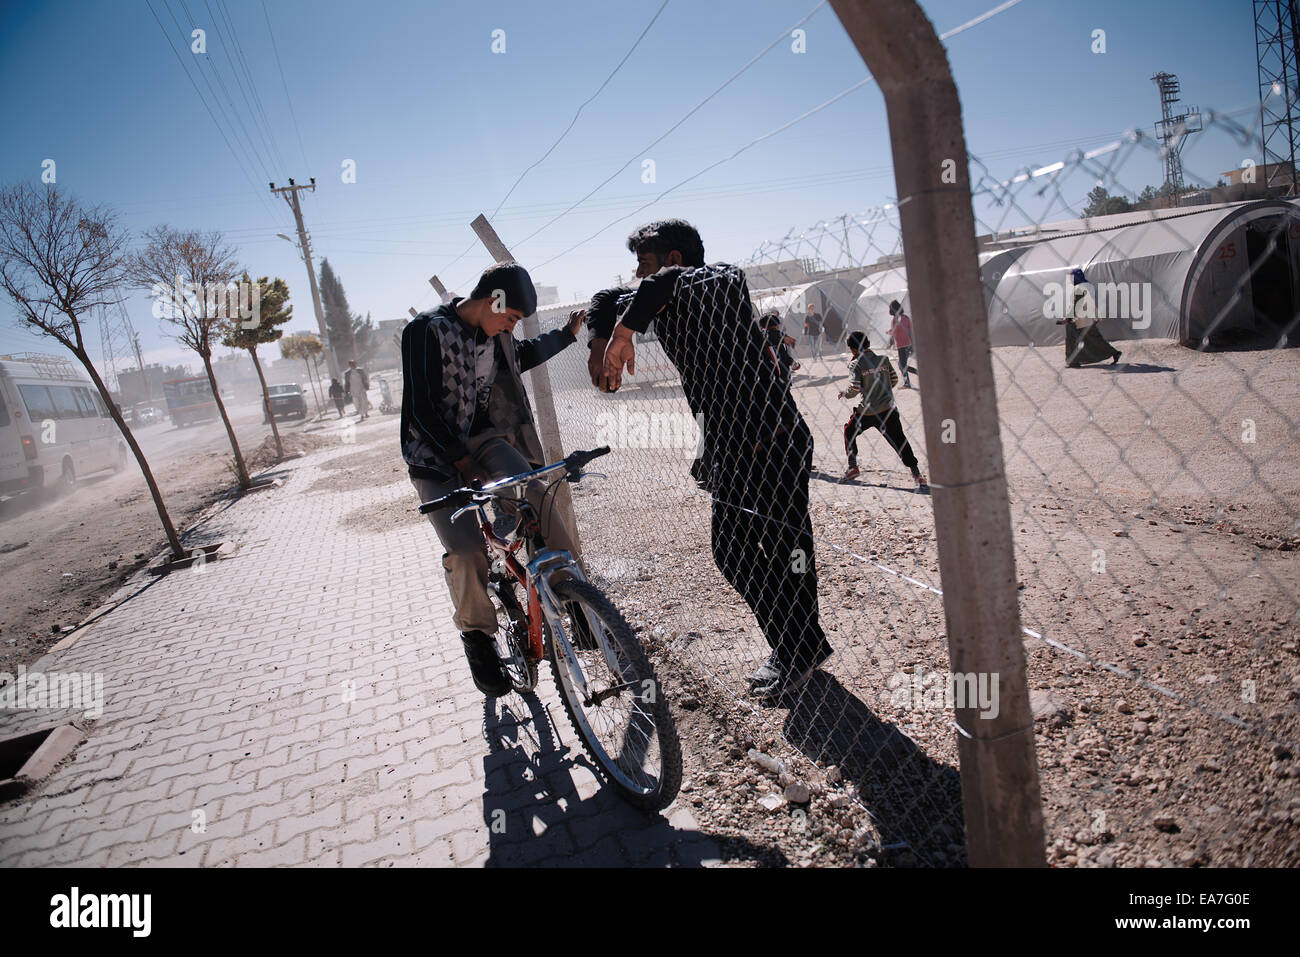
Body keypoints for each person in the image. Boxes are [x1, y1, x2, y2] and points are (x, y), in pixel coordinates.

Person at [593, 218, 833, 704]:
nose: (636, 274)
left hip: (772, 439)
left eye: (643, 262)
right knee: (757, 551)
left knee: (767, 549)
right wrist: (604, 341)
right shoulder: (656, 298)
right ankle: (801, 646)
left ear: (675, 258)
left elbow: (663, 284)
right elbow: (603, 299)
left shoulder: (720, 280)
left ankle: (797, 648)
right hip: (734, 447)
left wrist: (625, 332)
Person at [402, 261, 583, 697]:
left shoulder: (496, 335)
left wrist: (566, 336)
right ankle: (477, 637)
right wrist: (464, 464)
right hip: (434, 455)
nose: (512, 327)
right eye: (512, 317)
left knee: (537, 495)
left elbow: (519, 357)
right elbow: (423, 409)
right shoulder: (426, 331)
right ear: (494, 299)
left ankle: (576, 602)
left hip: (483, 439)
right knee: (466, 552)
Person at [839, 331, 928, 491]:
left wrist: (844, 393)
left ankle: (853, 467)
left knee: (849, 430)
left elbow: (855, 387)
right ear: (868, 344)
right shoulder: (884, 360)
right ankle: (917, 474)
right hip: (888, 409)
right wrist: (883, 389)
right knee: (900, 441)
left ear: (852, 349)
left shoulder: (856, 364)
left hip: (867, 412)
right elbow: (894, 380)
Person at [1057, 267, 1121, 367]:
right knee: (1093, 338)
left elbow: (1075, 304)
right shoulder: (1089, 285)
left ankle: (1073, 361)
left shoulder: (1078, 288)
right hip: (1089, 316)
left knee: (1073, 338)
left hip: (1079, 318)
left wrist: (1067, 318)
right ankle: (1113, 353)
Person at [760, 311, 798, 381]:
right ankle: (792, 362)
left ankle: (792, 362)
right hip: (782, 374)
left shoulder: (762, 337)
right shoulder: (778, 336)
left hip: (769, 374)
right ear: (776, 326)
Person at [887, 300, 915, 389]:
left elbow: (894, 331)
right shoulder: (906, 317)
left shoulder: (894, 320)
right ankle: (915, 374)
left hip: (901, 345)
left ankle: (907, 383)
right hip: (908, 344)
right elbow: (911, 331)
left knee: (902, 365)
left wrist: (889, 332)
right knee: (902, 364)